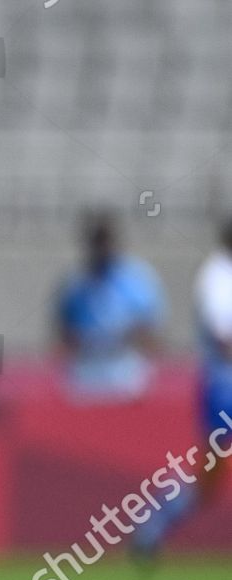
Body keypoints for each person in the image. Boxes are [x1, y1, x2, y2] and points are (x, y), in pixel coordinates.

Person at [131, 216, 232, 555]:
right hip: (224, 385)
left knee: (209, 482)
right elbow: (223, 339)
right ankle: (155, 524)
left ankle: (154, 525)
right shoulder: (218, 275)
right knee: (208, 483)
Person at [56, 212, 164, 401]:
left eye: (105, 241)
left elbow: (151, 329)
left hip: (124, 368)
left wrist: (124, 335)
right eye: (97, 242)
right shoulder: (75, 283)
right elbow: (63, 331)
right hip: (87, 369)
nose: (101, 248)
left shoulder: (136, 279)